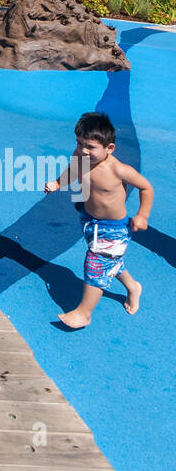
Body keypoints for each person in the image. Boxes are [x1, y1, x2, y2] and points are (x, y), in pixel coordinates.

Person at [44, 111, 152, 329]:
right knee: (108, 262)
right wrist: (58, 182)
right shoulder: (81, 158)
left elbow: (146, 187)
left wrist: (142, 215)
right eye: (79, 143)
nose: (83, 150)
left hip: (114, 229)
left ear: (109, 148)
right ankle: (133, 287)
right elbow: (72, 171)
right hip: (90, 222)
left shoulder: (119, 169)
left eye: (90, 147)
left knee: (95, 265)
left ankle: (84, 313)